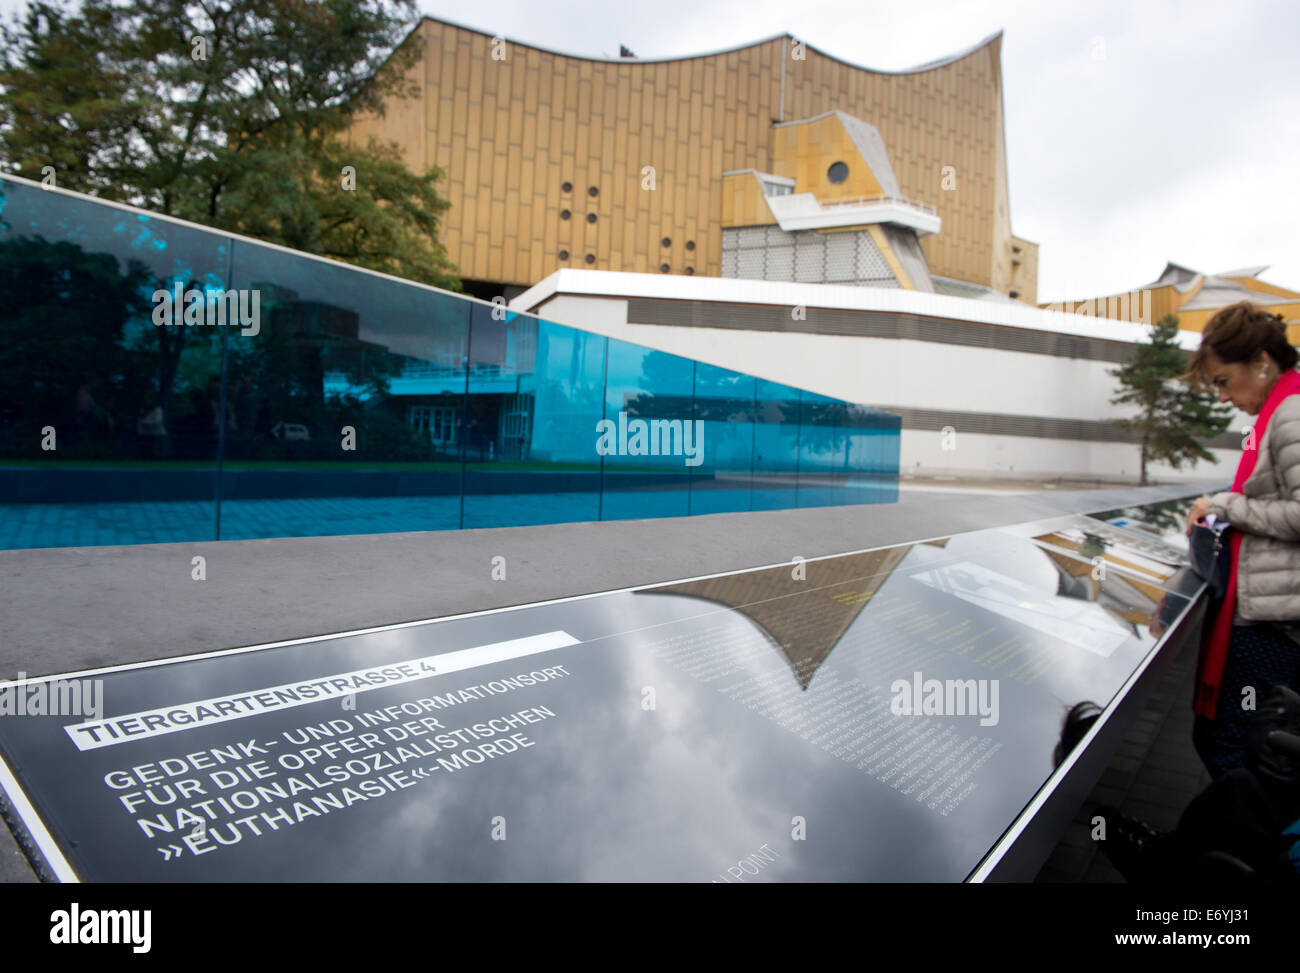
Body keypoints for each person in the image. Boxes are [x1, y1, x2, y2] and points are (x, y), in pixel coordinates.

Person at [1181, 301, 1300, 778]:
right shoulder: (1281, 410)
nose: (1222, 398)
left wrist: (1227, 507)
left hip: (1273, 621)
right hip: (1272, 609)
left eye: (1223, 381)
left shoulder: (1290, 415)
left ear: (1262, 364)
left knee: (1233, 745)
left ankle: (1240, 847)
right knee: (1235, 742)